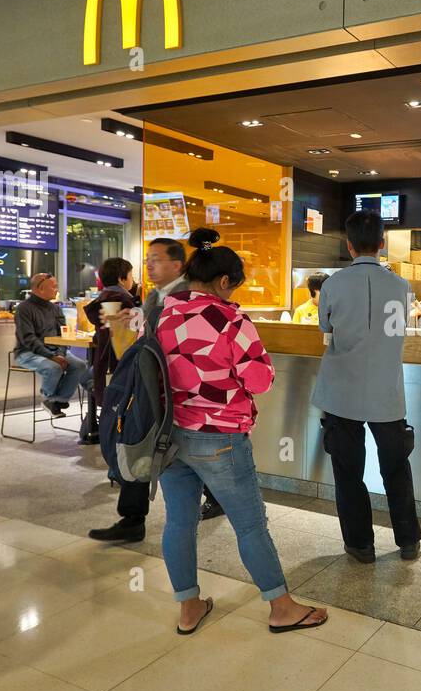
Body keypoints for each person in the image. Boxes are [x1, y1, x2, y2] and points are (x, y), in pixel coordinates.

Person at [155, 228, 328, 635]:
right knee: (250, 524)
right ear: (224, 282)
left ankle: (188, 607)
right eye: (234, 288)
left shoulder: (162, 313)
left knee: (179, 523)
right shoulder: (230, 318)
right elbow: (260, 380)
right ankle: (281, 607)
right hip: (219, 437)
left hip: (167, 434)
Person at [90, 239, 221, 543]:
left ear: (177, 265)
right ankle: (132, 518)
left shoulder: (190, 295)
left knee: (185, 447)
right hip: (150, 384)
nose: (149, 265)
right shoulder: (151, 295)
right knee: (138, 439)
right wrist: (131, 323)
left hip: (179, 387)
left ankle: (216, 495)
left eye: (157, 259)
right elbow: (149, 335)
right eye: (147, 259)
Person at [313, 211, 421, 563]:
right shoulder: (402, 286)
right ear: (382, 242)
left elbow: (325, 327)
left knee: (348, 472)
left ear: (347, 245)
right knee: (395, 468)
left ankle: (360, 545)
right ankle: (408, 542)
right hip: (387, 396)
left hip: (341, 393)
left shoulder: (331, 285)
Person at [12, 272, 92, 417]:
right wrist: (52, 356)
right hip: (28, 353)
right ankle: (47, 397)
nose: (57, 290)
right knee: (54, 368)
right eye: (54, 287)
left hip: (55, 351)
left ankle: (58, 400)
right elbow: (28, 339)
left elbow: (63, 335)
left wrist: (60, 354)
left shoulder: (56, 309)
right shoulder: (24, 309)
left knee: (80, 365)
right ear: (40, 288)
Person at [80, 257, 138, 444]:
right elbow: (133, 335)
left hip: (103, 365)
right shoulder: (122, 301)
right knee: (123, 409)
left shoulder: (101, 301)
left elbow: (101, 335)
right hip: (121, 364)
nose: (133, 280)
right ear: (122, 279)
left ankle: (107, 438)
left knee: (110, 405)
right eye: (131, 275)